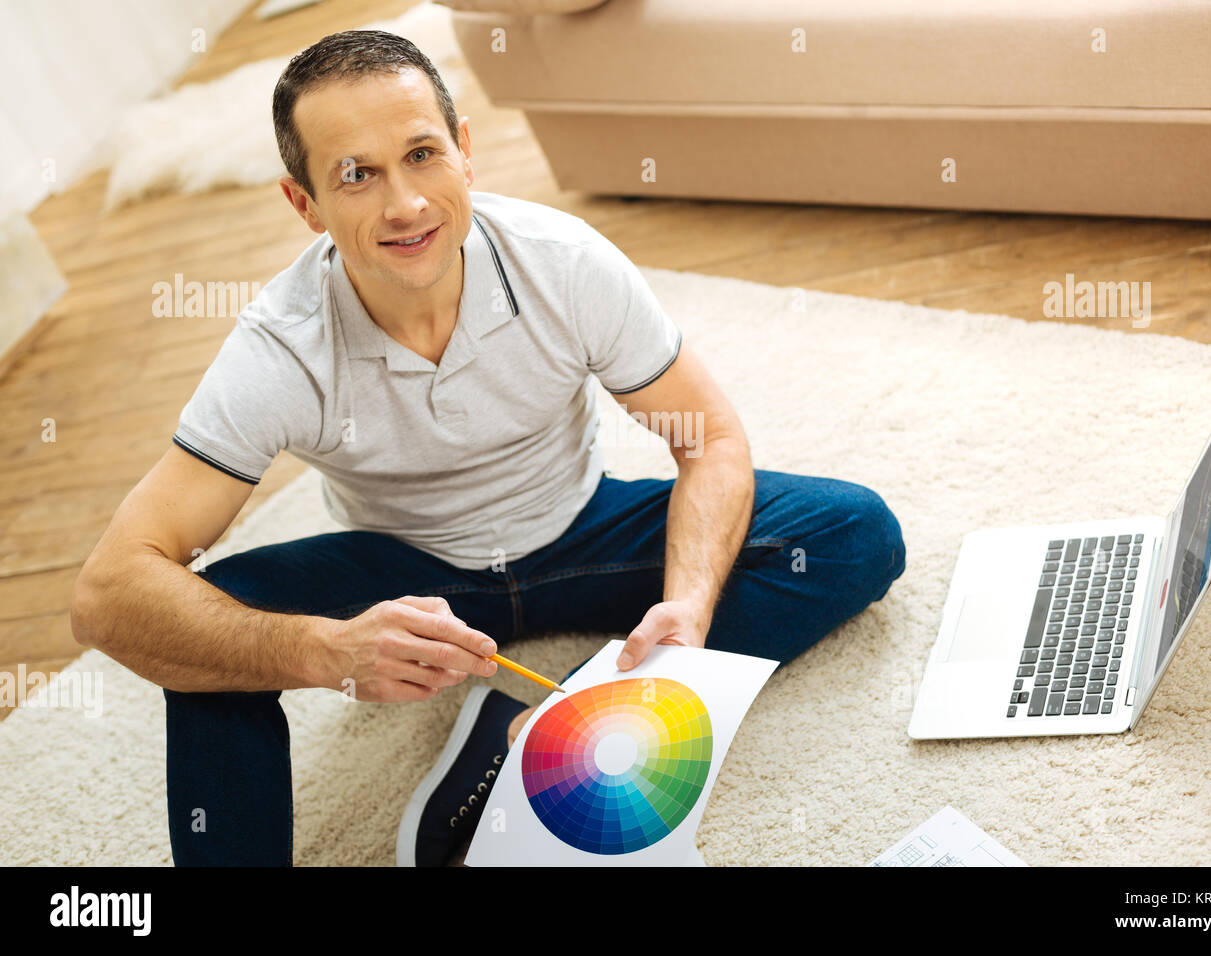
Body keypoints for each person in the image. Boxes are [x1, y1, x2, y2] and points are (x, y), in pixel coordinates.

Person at [70, 29, 906, 867]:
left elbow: (711, 437)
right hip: (406, 572)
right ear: (306, 205)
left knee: (852, 534)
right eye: (356, 175)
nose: (404, 205)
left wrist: (689, 608)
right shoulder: (280, 349)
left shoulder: (565, 263)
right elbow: (107, 597)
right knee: (203, 640)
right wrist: (326, 651)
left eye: (422, 154)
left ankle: (559, 716)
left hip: (580, 530)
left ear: (466, 153)